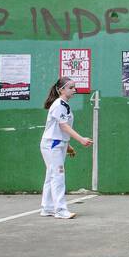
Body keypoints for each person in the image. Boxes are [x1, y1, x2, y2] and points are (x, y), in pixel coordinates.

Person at [40, 77, 92, 218]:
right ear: (61, 90)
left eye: (74, 87)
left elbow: (61, 129)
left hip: (57, 144)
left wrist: (68, 146)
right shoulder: (58, 105)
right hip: (52, 144)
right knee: (58, 176)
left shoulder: (63, 105)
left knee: (51, 175)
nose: (74, 90)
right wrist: (81, 139)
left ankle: (47, 208)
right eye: (71, 87)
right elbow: (63, 126)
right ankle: (60, 210)